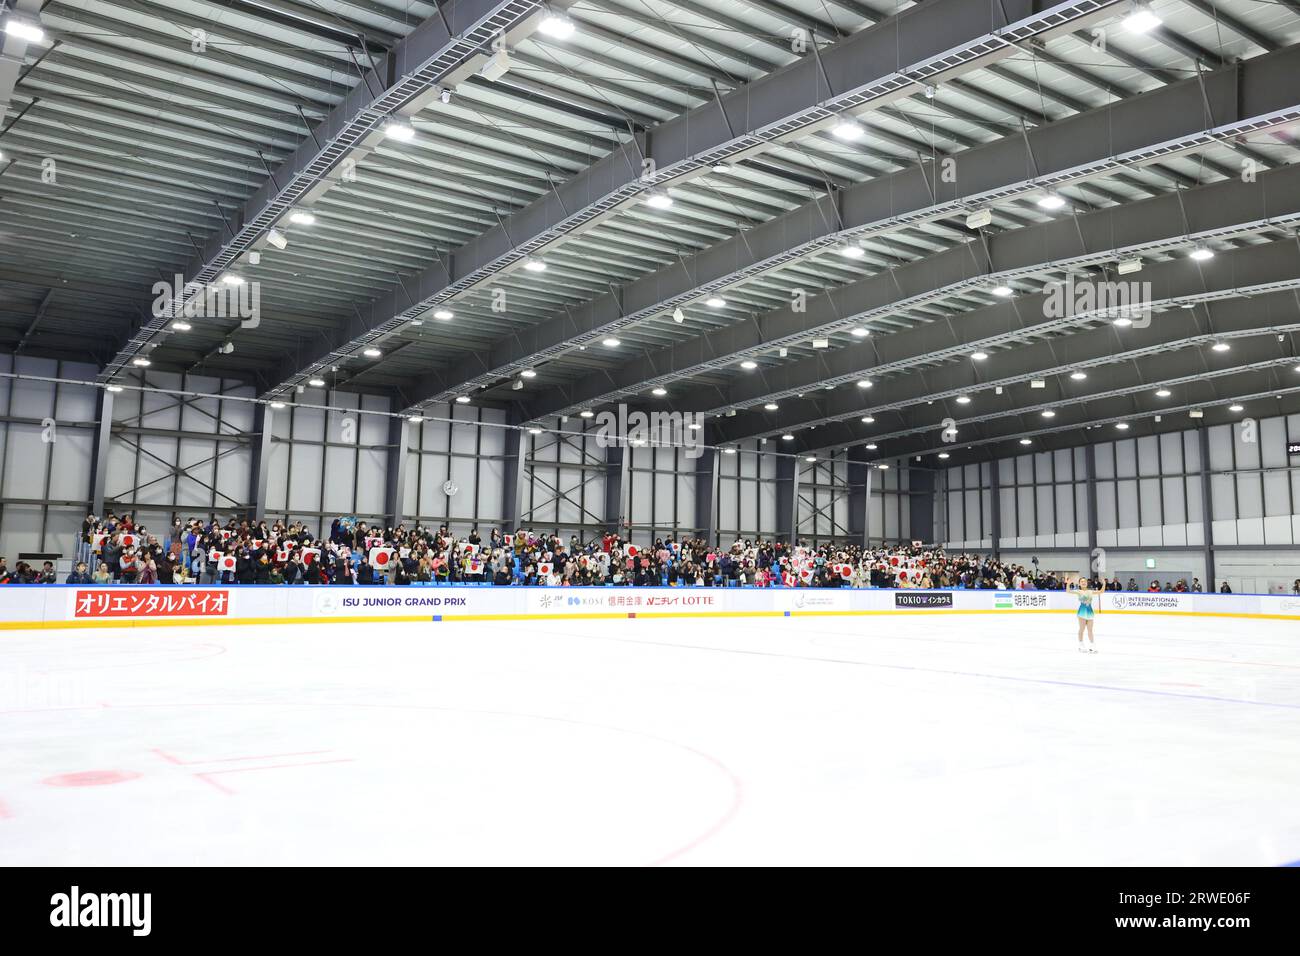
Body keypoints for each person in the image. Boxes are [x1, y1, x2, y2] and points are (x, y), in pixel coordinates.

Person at [1067, 576, 1105, 653]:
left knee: (1090, 630)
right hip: (1082, 611)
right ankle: (1081, 644)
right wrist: (1068, 584)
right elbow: (1068, 591)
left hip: (1090, 611)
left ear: (1087, 583)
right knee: (1082, 629)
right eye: (1082, 582)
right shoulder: (1078, 591)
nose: (1083, 582)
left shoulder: (1090, 591)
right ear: (1079, 584)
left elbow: (1101, 591)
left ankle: (1092, 645)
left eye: (1085, 581)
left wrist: (1104, 584)